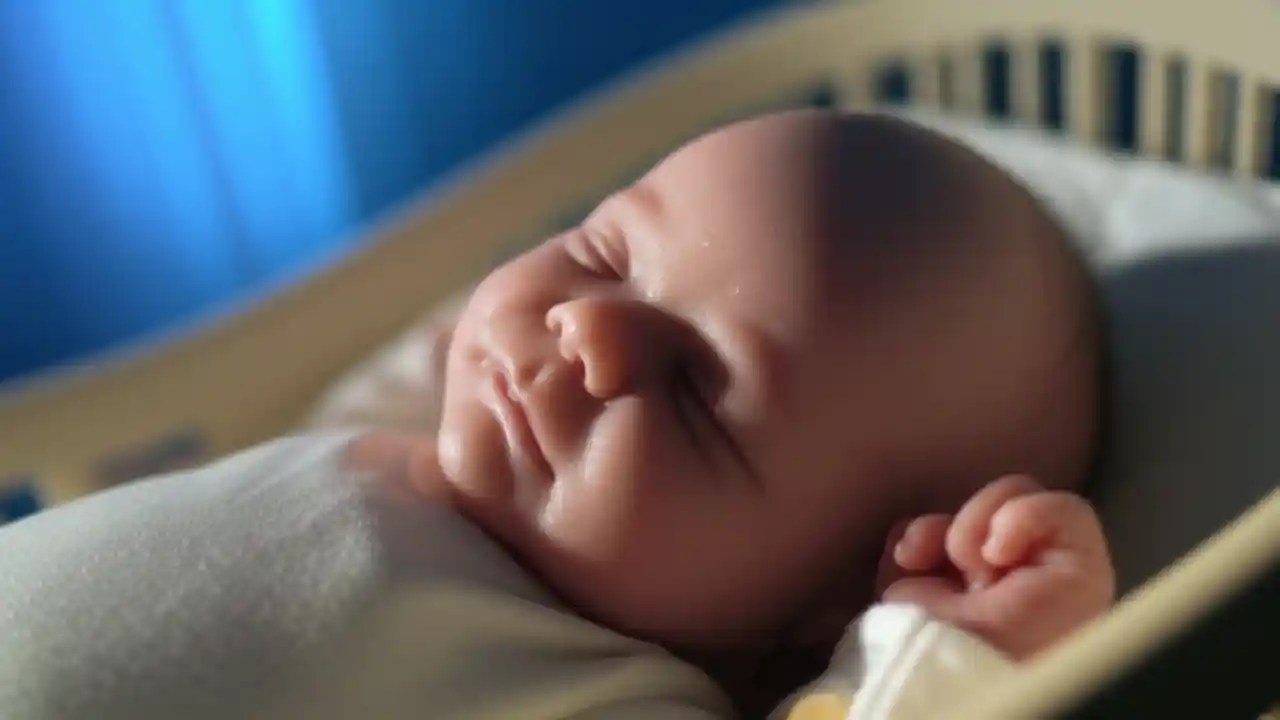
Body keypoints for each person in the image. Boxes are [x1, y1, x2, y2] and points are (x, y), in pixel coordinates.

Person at [0, 110, 1107, 719]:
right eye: (602, 252)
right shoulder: (398, 430)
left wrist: (945, 654)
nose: (588, 334)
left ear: (831, 603)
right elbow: (456, 334)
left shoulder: (610, 688)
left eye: (695, 398)